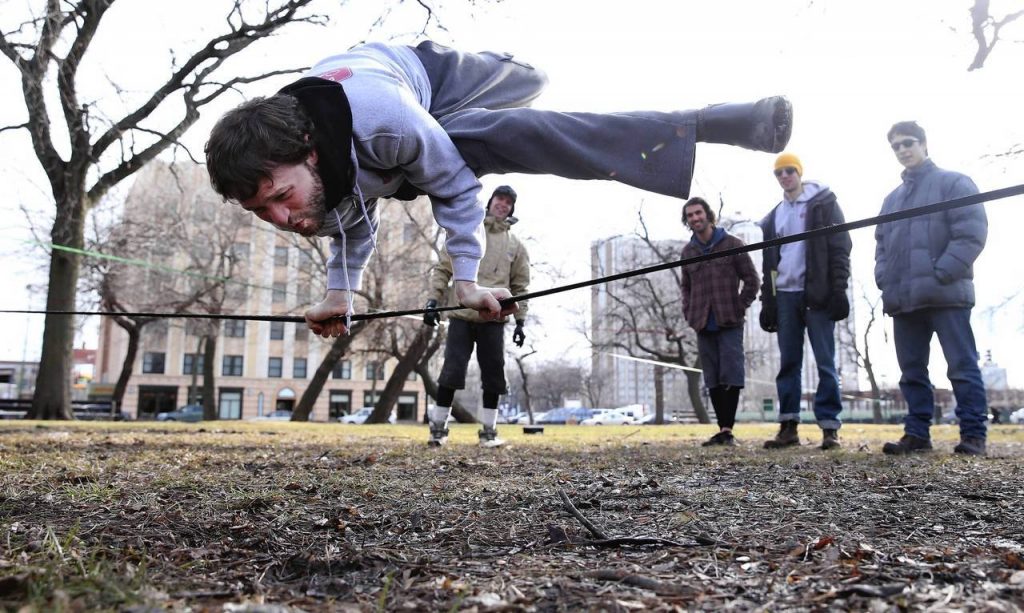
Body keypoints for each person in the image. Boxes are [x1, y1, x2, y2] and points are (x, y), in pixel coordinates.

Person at [204, 41, 793, 335]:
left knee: (518, 121)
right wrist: (340, 294)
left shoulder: (383, 119)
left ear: (308, 152)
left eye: (279, 197)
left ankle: (717, 121)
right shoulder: (303, 174)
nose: (281, 218)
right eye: (261, 211)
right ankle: (710, 122)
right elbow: (354, 222)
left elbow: (458, 193)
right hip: (381, 139)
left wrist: (467, 279)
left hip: (433, 79)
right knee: (462, 146)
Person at [875, 121, 989, 456]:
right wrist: (884, 277)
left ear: (923, 143)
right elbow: (880, 245)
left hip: (946, 295)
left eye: (907, 142)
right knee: (911, 372)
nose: (902, 150)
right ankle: (917, 434)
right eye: (895, 146)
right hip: (903, 299)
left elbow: (972, 233)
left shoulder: (954, 183)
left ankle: (973, 435)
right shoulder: (891, 200)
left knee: (961, 366)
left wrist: (942, 272)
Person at [422, 185, 529, 447]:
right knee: (452, 369)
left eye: (508, 202)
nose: (502, 204)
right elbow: (444, 267)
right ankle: (438, 429)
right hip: (461, 313)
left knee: (494, 372)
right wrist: (433, 300)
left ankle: (489, 431)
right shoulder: (469, 232)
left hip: (494, 318)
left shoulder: (516, 246)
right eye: (499, 199)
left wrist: (520, 321)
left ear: (512, 209)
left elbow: (520, 286)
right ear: (490, 201)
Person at [758, 152, 852, 450]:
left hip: (818, 293)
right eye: (779, 173)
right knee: (789, 363)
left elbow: (840, 247)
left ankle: (829, 428)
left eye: (789, 170)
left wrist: (839, 289)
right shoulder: (774, 216)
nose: (785, 176)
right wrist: (767, 301)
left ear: (799, 172)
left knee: (826, 362)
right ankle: (788, 427)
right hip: (785, 295)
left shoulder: (824, 204)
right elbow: (769, 262)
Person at [679, 197, 760, 446]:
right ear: (687, 221)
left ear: (708, 215)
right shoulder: (688, 252)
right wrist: (689, 313)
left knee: (731, 374)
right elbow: (686, 289)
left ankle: (727, 429)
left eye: (698, 213)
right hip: (703, 323)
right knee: (712, 377)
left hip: (730, 320)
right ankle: (722, 430)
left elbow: (752, 280)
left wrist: (739, 305)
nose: (695, 218)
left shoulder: (733, 244)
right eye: (690, 215)